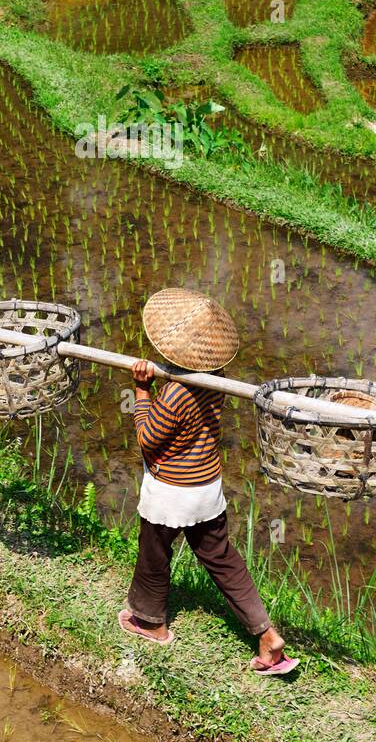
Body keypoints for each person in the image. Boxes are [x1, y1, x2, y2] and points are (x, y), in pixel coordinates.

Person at [118, 288, 298, 675]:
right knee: (223, 560)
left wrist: (141, 390)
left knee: (154, 556)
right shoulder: (217, 379)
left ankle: (150, 622)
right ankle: (267, 636)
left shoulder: (175, 392)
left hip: (172, 493)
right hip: (207, 488)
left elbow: (147, 439)